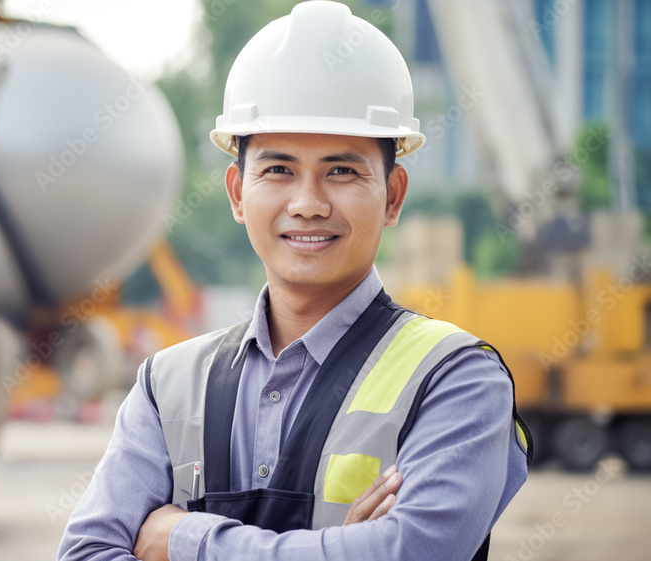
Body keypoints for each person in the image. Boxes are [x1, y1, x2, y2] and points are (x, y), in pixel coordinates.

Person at [56, 2, 531, 560]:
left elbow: (410, 553)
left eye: (342, 170)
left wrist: (184, 537)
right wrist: (341, 548)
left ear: (393, 195)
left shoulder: (455, 379)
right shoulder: (167, 384)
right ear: (237, 192)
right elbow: (87, 552)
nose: (307, 204)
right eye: (279, 169)